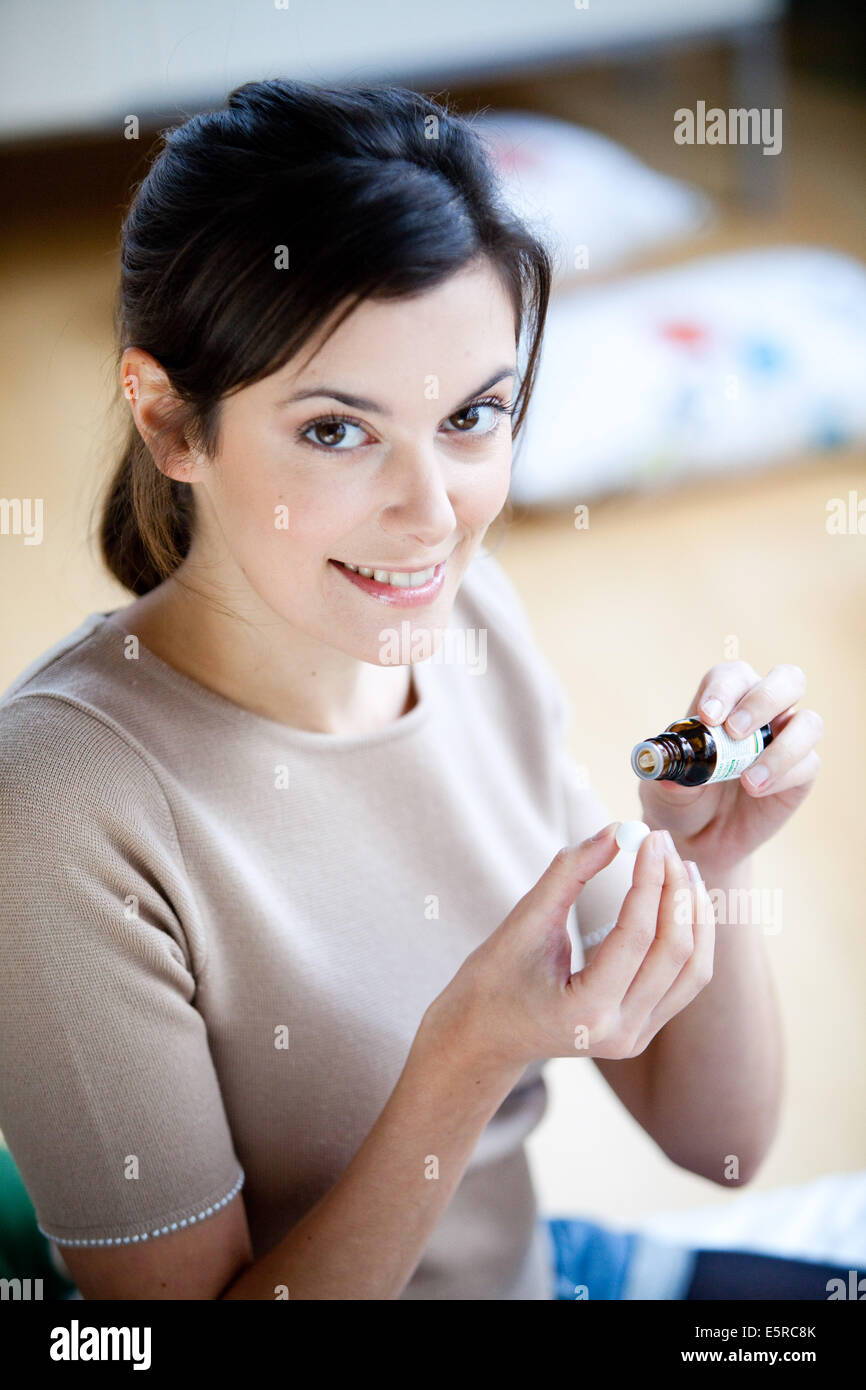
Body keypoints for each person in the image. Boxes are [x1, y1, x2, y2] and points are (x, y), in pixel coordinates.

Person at [0, 78, 826, 1301]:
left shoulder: (462, 623)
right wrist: (469, 1054)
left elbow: (717, 1144)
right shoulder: (56, 807)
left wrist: (707, 861)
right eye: (338, 431)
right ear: (171, 420)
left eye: (473, 416)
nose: (432, 515)